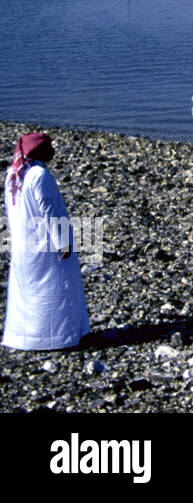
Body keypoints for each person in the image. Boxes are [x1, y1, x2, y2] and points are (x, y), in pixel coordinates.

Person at [3, 132, 91, 350]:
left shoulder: (14, 175)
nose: (53, 151)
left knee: (28, 291)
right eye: (48, 147)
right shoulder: (39, 175)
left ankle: (25, 337)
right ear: (38, 151)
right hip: (46, 244)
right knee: (55, 288)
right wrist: (63, 241)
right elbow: (51, 211)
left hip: (24, 243)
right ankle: (58, 337)